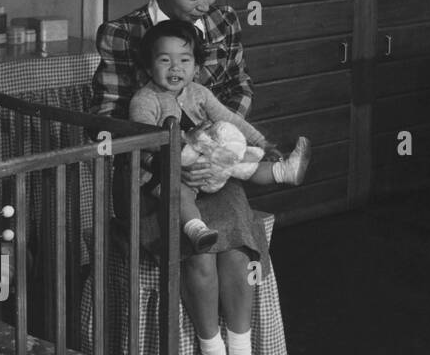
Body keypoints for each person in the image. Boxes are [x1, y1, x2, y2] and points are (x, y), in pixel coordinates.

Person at [93, 0, 279, 355]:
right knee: (199, 256)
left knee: (236, 252)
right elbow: (109, 116)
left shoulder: (221, 20)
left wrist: (221, 139)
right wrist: (171, 153)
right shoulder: (121, 33)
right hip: (156, 176)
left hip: (214, 170)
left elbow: (239, 87)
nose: (207, 6)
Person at [129, 19, 309, 252]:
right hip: (164, 169)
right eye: (165, 60)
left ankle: (285, 171)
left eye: (184, 60)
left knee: (244, 162)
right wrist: (185, 139)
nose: (175, 68)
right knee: (179, 193)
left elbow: (231, 118)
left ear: (196, 68)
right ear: (148, 67)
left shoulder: (200, 93)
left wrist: (261, 142)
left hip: (206, 162)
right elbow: (144, 134)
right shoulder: (145, 99)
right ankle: (197, 230)